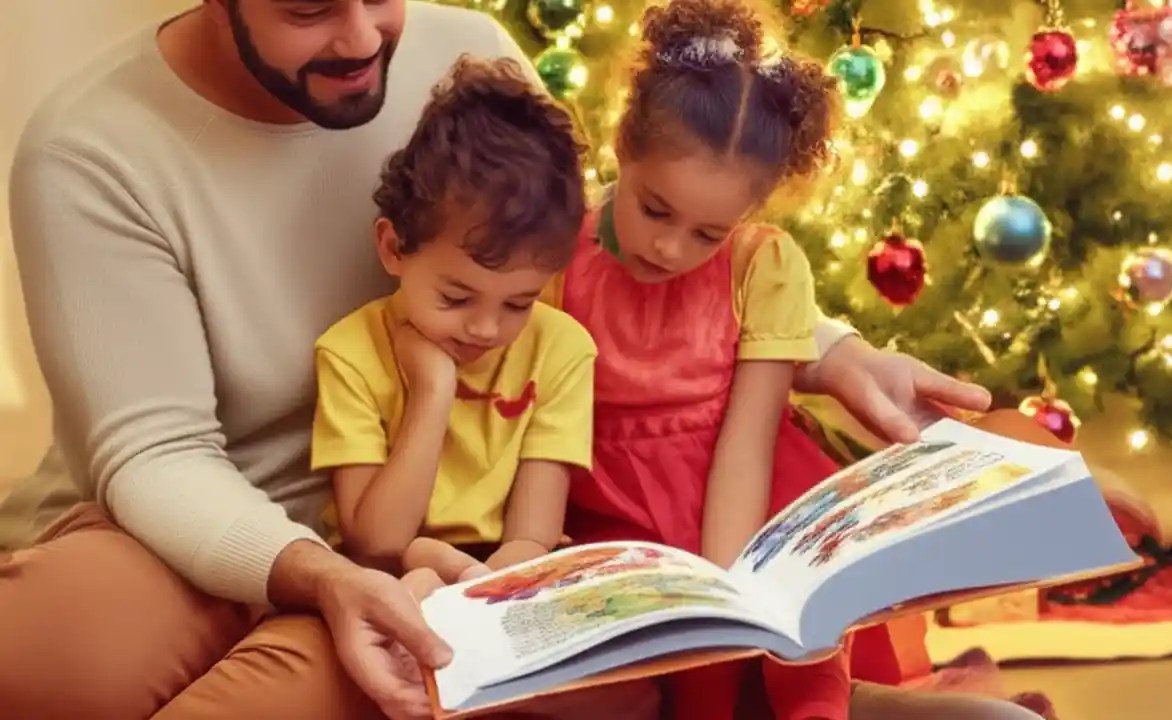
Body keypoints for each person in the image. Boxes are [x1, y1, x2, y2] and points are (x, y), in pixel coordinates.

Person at [0, 0, 992, 718]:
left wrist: (830, 350)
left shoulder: (461, 51)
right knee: (35, 669)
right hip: (181, 528)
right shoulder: (94, 149)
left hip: (427, 532)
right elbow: (157, 454)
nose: (360, 37)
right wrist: (322, 576)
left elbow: (598, 246)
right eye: (308, 9)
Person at [538, 1, 1041, 719]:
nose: (671, 248)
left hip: (746, 502)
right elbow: (540, 428)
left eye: (708, 232)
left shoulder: (762, 266)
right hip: (612, 516)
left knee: (797, 651)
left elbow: (746, 442)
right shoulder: (558, 255)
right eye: (655, 210)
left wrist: (727, 592)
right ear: (622, 143)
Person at [313, 56, 591, 585]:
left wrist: (475, 586)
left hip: (504, 571)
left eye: (518, 304)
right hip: (378, 573)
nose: (485, 329)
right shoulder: (350, 353)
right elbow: (376, 543)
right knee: (415, 581)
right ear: (394, 248)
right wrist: (433, 392)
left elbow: (532, 536)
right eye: (457, 297)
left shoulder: (562, 349)